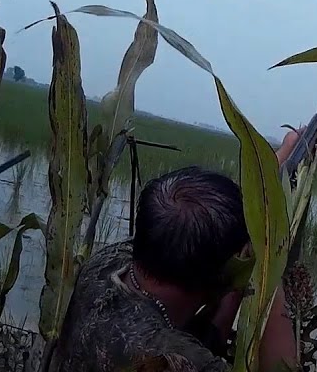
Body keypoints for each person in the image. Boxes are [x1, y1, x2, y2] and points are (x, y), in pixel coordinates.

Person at [50, 133, 302, 372]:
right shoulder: (166, 358)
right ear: (225, 272)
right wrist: (269, 257)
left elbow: (201, 218)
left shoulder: (106, 263)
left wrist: (274, 166)